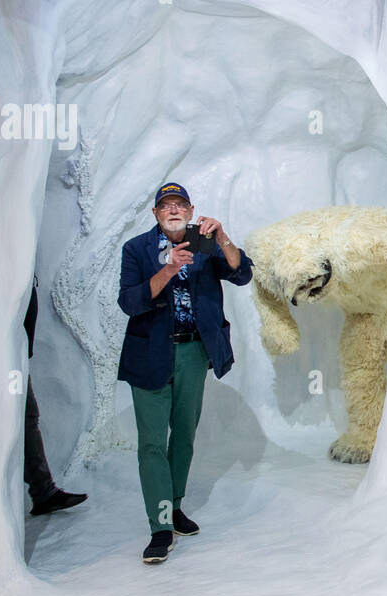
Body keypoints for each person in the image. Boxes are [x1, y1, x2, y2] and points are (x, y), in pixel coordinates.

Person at [116, 182, 252, 564]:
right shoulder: (137, 249)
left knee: (185, 436)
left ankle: (173, 507)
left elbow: (242, 275)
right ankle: (160, 527)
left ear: (191, 211)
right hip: (150, 355)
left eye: (180, 204)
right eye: (166, 206)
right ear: (156, 214)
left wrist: (223, 237)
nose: (173, 210)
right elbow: (129, 301)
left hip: (194, 352)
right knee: (152, 443)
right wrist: (169, 267)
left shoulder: (205, 245)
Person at [23, 276, 87, 516]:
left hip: (15, 356)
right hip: (5, 359)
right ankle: (42, 490)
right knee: (25, 418)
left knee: (27, 418)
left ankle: (43, 491)